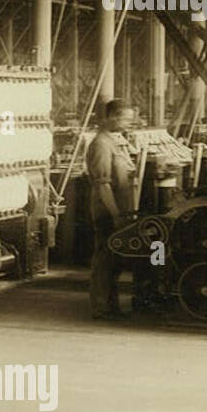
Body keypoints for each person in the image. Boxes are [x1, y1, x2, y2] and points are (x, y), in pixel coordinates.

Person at [87, 99, 138, 320]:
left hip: (118, 211)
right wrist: (116, 215)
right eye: (126, 118)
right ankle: (101, 308)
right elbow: (103, 185)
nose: (129, 123)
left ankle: (111, 307)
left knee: (113, 261)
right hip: (107, 212)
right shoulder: (101, 144)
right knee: (105, 261)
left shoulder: (113, 142)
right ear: (111, 117)